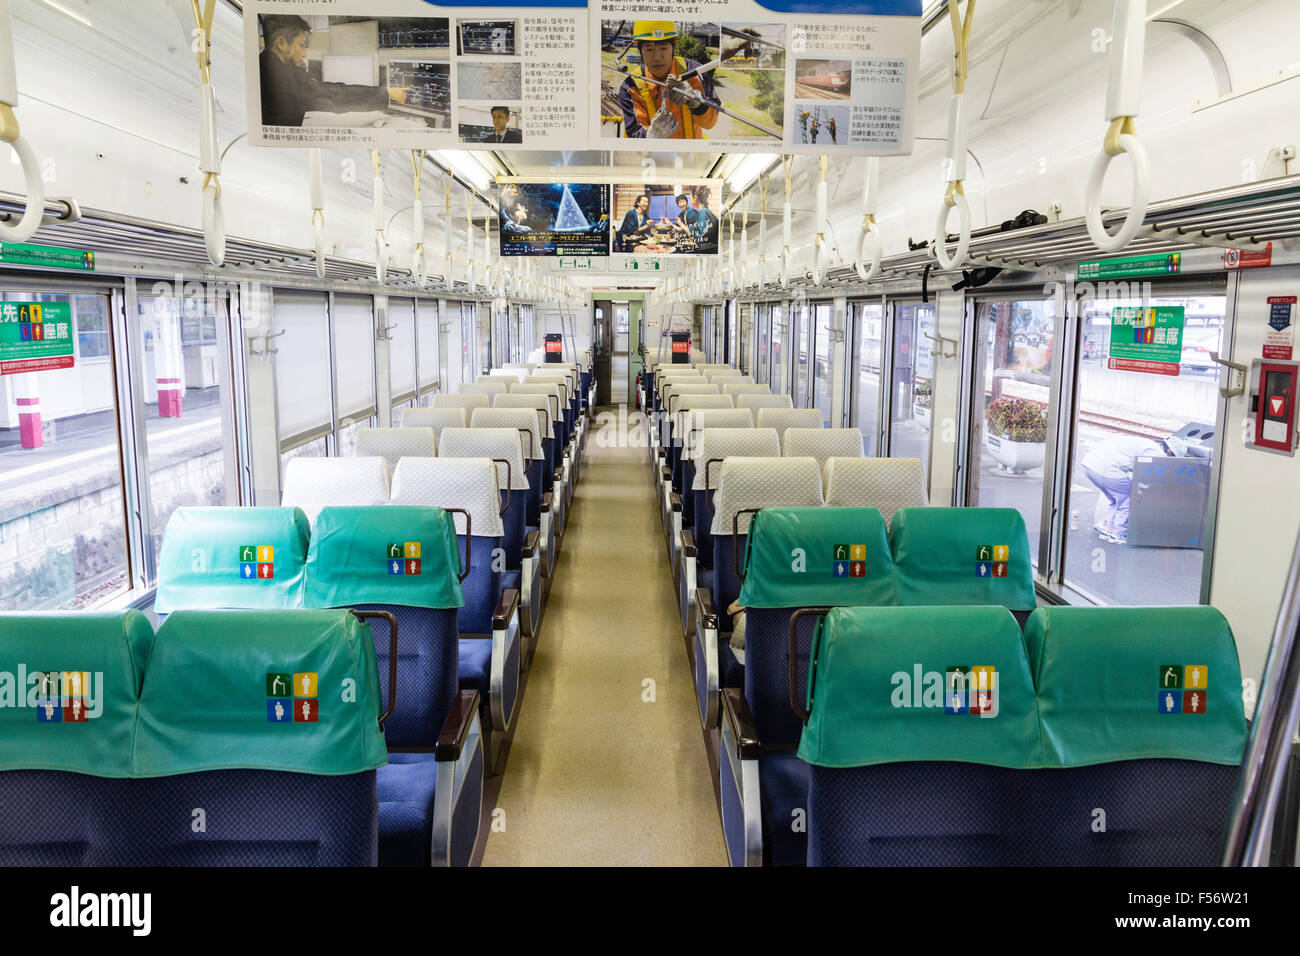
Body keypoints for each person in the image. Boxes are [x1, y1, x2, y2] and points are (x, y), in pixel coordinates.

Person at [259, 15, 408, 127]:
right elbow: (333, 93)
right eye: (301, 45)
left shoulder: (267, 67)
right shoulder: (282, 74)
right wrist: (386, 93)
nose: (304, 53)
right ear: (282, 43)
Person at [617, 21, 720, 140]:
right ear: (639, 49)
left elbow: (710, 123)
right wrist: (652, 134)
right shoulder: (631, 86)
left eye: (663, 48)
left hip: (692, 155)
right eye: (649, 49)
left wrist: (697, 102)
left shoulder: (695, 73)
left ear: (674, 46)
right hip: (653, 157)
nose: (657, 57)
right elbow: (633, 134)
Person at [1081, 433, 1189, 544]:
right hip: (1104, 467)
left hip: (1089, 463)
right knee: (1128, 499)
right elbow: (1149, 475)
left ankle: (1109, 529)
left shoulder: (1149, 444)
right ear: (1169, 451)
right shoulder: (1157, 453)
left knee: (1116, 499)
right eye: (1173, 458)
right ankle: (1118, 534)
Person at [689, 186, 719, 251]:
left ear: (695, 198)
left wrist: (689, 231)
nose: (690, 200)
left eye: (690, 198)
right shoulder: (705, 210)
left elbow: (703, 238)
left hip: (711, 249)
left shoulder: (703, 212)